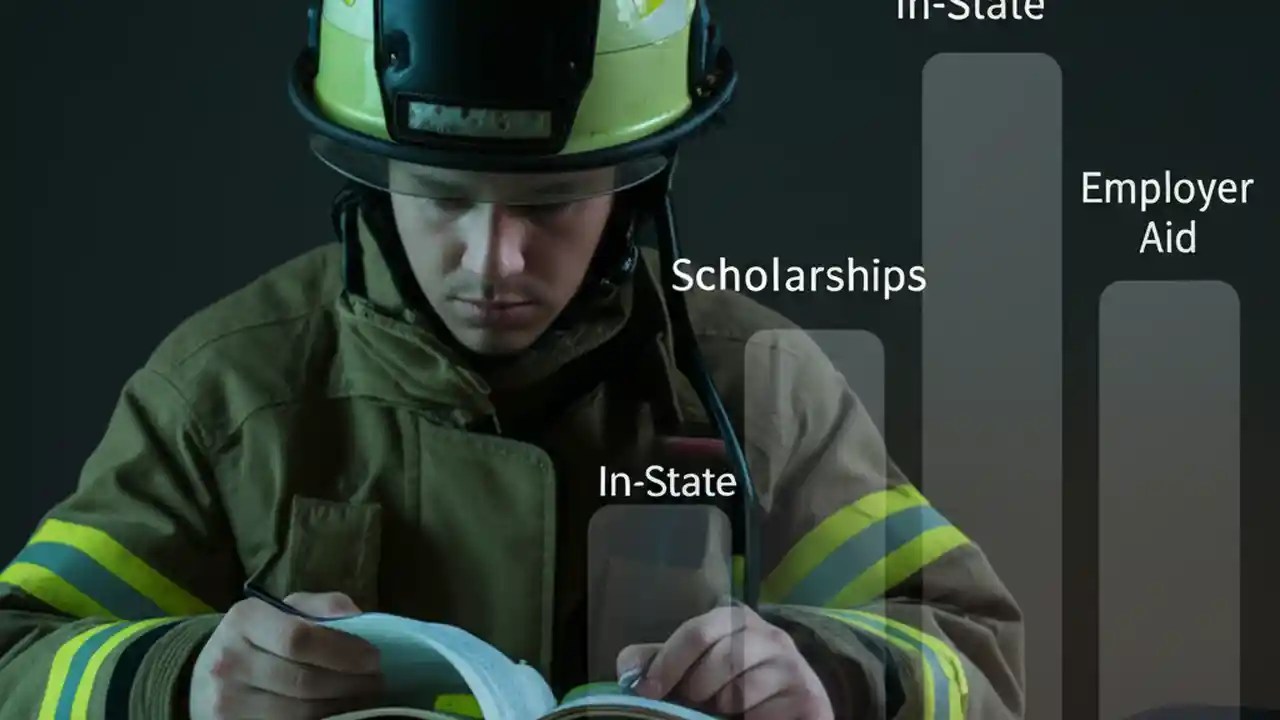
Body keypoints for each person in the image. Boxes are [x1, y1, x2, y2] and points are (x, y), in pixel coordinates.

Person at [0, 1, 1025, 718]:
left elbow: (972, 650)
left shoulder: (760, 388)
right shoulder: (225, 389)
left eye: (548, 204)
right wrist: (174, 679)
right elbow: (18, 653)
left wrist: (832, 673)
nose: (493, 260)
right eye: (442, 196)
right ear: (376, 173)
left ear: (633, 185)